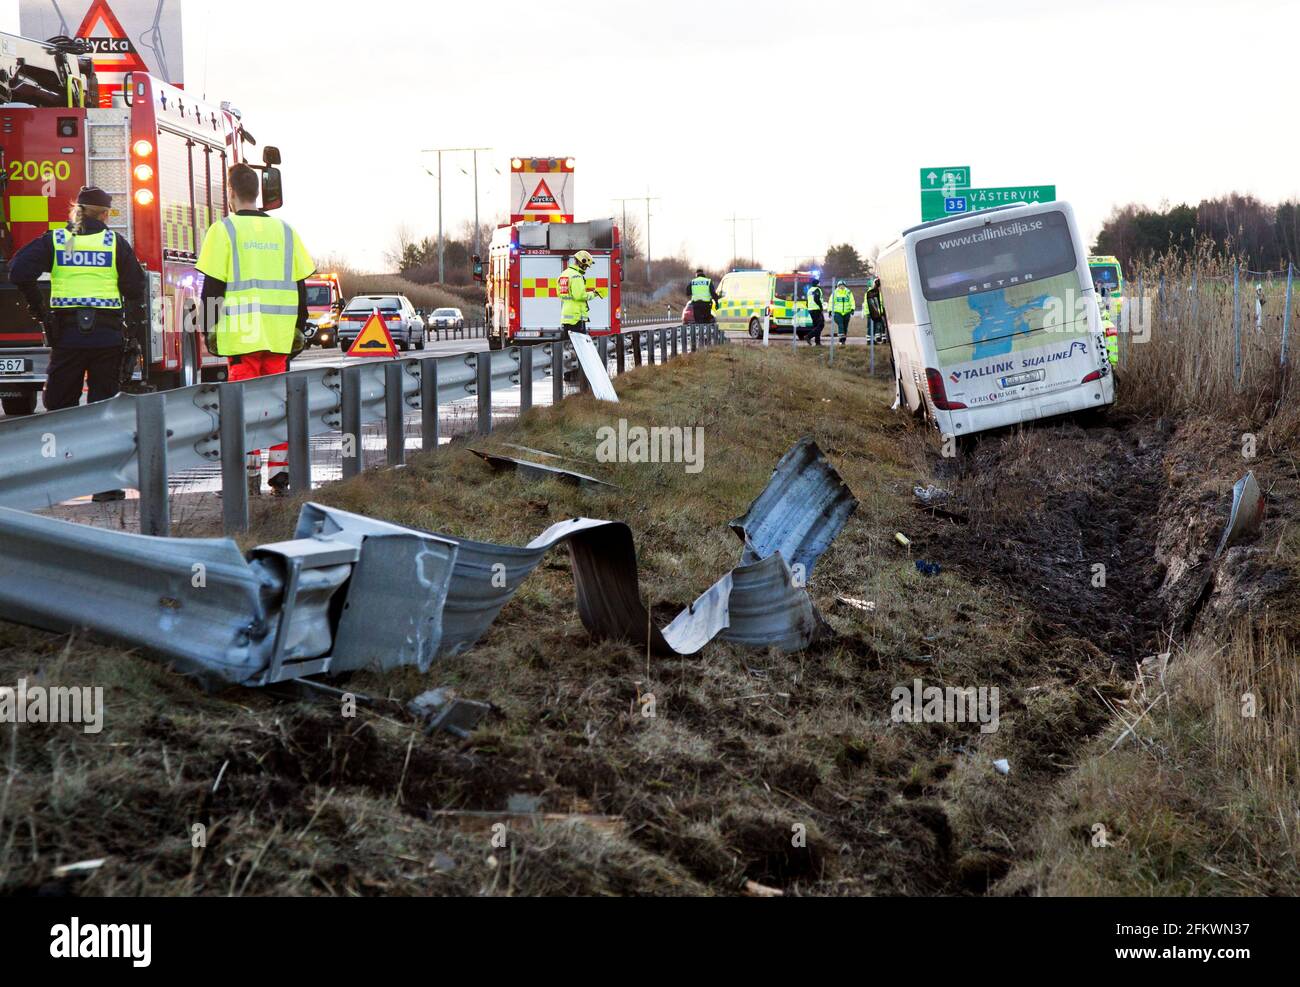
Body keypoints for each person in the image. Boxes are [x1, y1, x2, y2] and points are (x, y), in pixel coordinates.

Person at [10, 185, 148, 502]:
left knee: (60, 407)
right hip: (108, 337)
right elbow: (135, 287)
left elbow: (19, 270)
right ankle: (105, 485)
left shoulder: (57, 240)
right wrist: (134, 332)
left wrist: (39, 309)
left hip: (68, 336)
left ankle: (59, 478)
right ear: (103, 214)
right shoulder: (114, 243)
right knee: (103, 409)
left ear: (77, 211)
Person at [196, 163, 314, 496]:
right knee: (279, 403)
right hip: (278, 337)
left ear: (230, 193)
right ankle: (280, 475)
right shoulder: (286, 231)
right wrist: (298, 327)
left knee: (243, 408)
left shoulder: (224, 231)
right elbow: (300, 285)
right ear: (258, 193)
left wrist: (208, 330)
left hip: (241, 337)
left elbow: (212, 288)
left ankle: (248, 478)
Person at [558, 250, 601, 335]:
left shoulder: (564, 274)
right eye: (586, 266)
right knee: (579, 346)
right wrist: (594, 294)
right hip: (576, 318)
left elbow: (560, 294)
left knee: (568, 345)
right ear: (581, 262)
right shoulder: (576, 276)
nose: (586, 268)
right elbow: (579, 296)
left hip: (567, 317)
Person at [805, 275, 826, 346]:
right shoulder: (817, 289)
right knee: (821, 325)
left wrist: (809, 307)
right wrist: (821, 307)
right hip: (816, 309)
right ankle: (809, 336)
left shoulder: (809, 290)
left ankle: (818, 342)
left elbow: (807, 301)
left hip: (811, 309)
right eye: (819, 283)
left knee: (816, 326)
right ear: (817, 284)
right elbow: (816, 299)